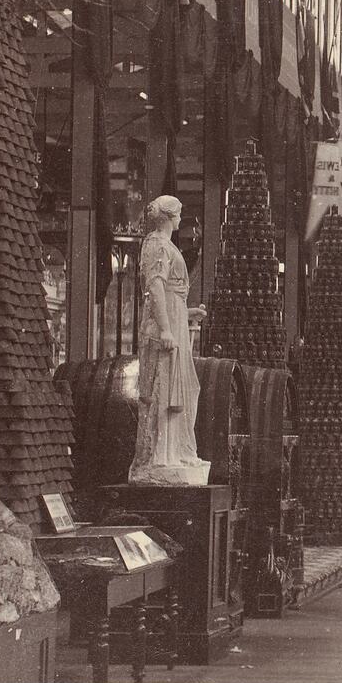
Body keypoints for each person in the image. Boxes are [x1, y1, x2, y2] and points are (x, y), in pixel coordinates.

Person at [129, 195, 211, 485]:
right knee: (164, 387)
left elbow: (169, 293)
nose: (181, 219)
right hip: (165, 325)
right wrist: (165, 328)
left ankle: (178, 450)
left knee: (186, 387)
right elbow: (155, 289)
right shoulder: (157, 244)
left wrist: (185, 313)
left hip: (175, 319)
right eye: (179, 214)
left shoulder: (164, 244)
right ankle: (162, 456)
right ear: (170, 216)